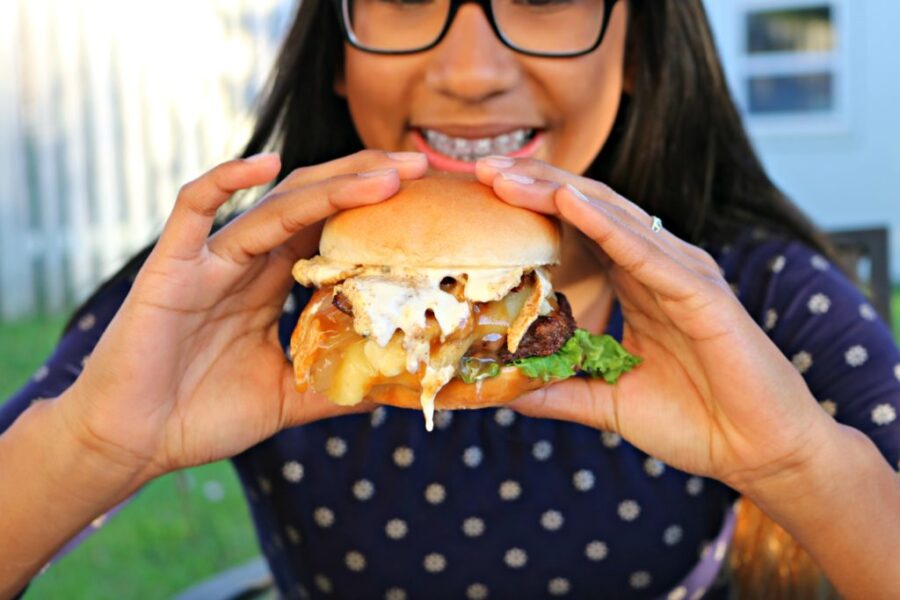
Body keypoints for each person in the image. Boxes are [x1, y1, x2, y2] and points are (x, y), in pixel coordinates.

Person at [1, 0, 898, 598]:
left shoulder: (760, 300)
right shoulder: (218, 291)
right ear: (336, 54)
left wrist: (799, 466)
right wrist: (94, 446)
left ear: (641, 49)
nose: (470, 71)